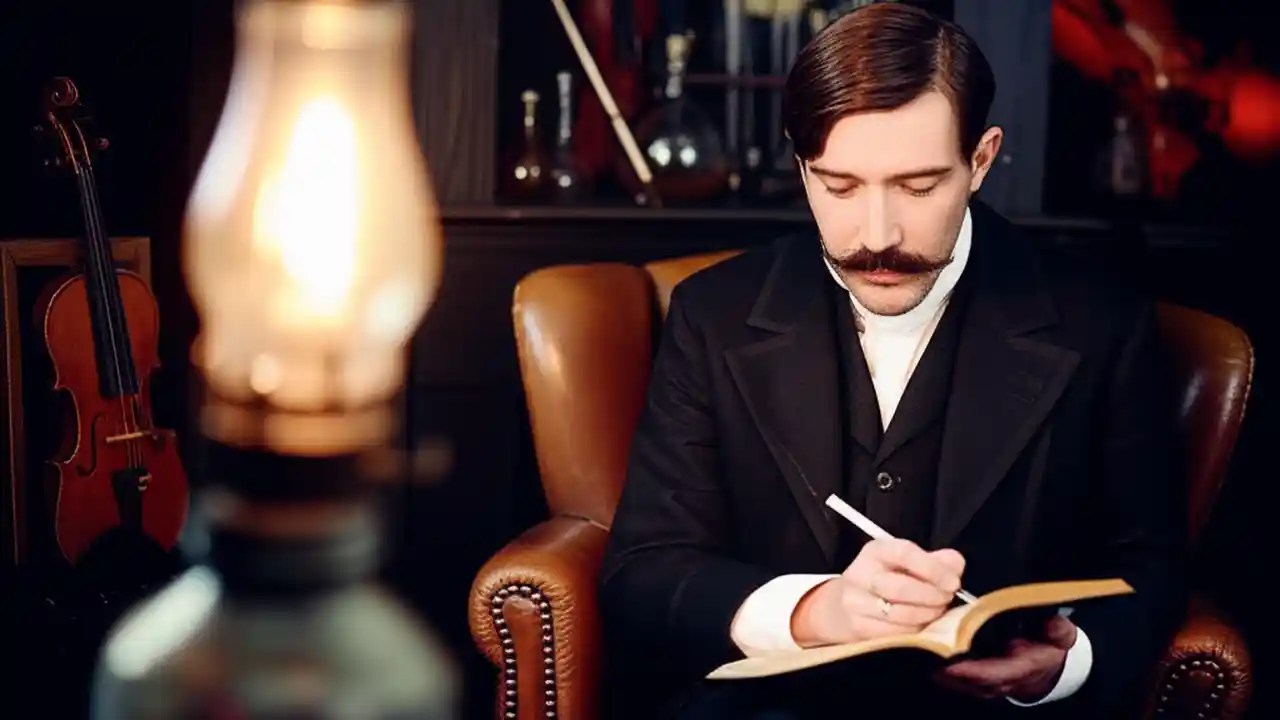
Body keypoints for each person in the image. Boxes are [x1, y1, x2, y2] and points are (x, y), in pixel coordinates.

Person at [598, 4, 1187, 719]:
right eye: (839, 186)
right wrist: (819, 611)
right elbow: (644, 570)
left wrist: (1063, 667)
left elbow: (1152, 567)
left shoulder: (1105, 325)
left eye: (917, 186)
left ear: (981, 160)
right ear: (802, 165)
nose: (877, 235)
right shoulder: (710, 315)